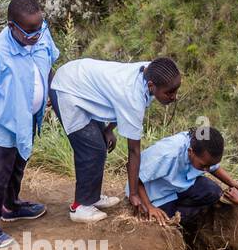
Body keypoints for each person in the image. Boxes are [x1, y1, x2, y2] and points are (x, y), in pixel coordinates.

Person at [0, 0, 60, 250]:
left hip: (27, 118)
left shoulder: (41, 35)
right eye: (29, 31)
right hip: (1, 125)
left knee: (19, 164)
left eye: (39, 29)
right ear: (11, 27)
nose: (35, 35)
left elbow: (48, 64)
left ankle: (10, 206)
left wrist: (47, 91)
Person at [50, 56, 182, 224]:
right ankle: (80, 206)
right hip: (67, 89)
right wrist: (133, 194)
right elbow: (134, 151)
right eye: (169, 92)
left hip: (82, 84)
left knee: (100, 142)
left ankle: (92, 197)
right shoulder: (133, 94)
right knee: (92, 149)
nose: (174, 97)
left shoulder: (151, 72)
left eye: (176, 90)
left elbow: (121, 103)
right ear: (151, 86)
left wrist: (108, 130)